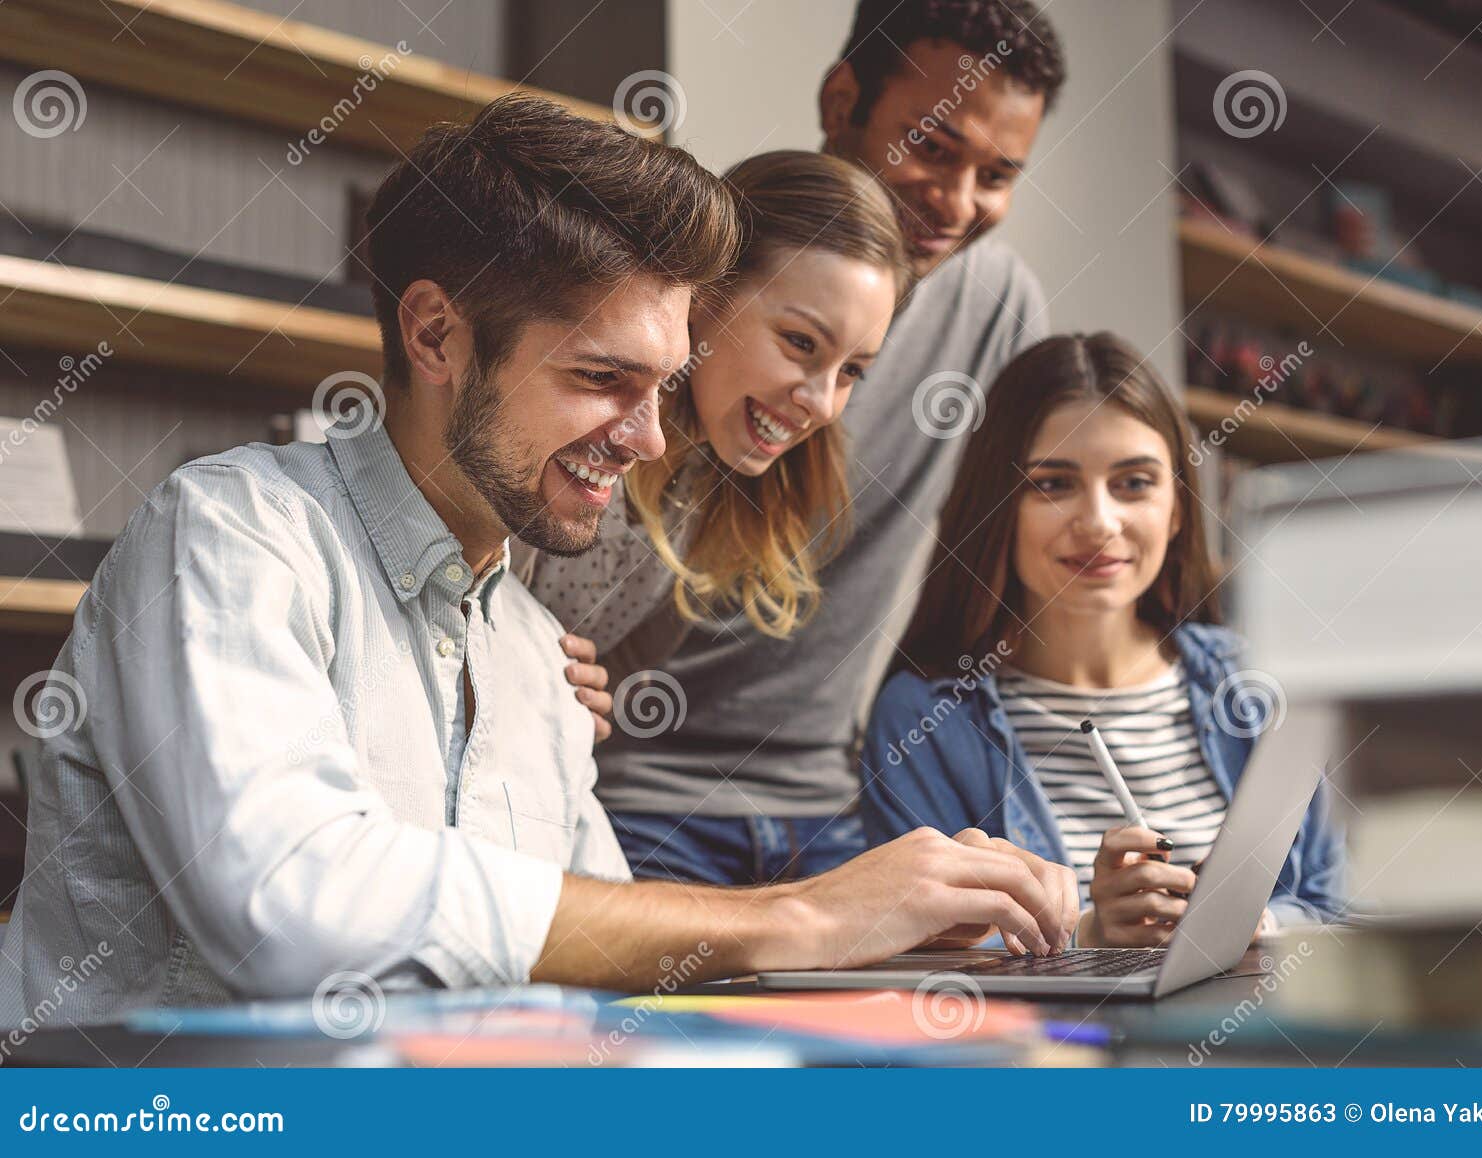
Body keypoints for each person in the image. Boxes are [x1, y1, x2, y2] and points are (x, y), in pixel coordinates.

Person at [0, 95, 1076, 1026]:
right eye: (603, 378)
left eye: (661, 389)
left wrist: (897, 961)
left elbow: (613, 970)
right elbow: (290, 905)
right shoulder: (232, 535)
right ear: (435, 337)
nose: (651, 439)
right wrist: (797, 915)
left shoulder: (529, 653)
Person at [587, 0, 1066, 885]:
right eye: (932, 147)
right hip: (639, 798)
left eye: (997, 174)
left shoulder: (996, 309)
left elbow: (997, 572)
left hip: (831, 801)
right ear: (842, 100)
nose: (957, 203)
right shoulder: (697, 271)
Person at [859, 334, 1344, 947]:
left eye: (1135, 483)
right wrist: (1089, 933)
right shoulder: (925, 718)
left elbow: (1338, 905)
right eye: (1053, 484)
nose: (1098, 523)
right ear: (998, 507)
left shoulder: (1259, 685)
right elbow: (907, 949)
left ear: (1176, 509)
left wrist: (1255, 926)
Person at [529, 150, 912, 881]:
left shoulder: (714, 476)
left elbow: (627, 650)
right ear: (707, 295)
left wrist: (589, 686)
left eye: (853, 371)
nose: (821, 403)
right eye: (800, 344)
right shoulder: (580, 423)